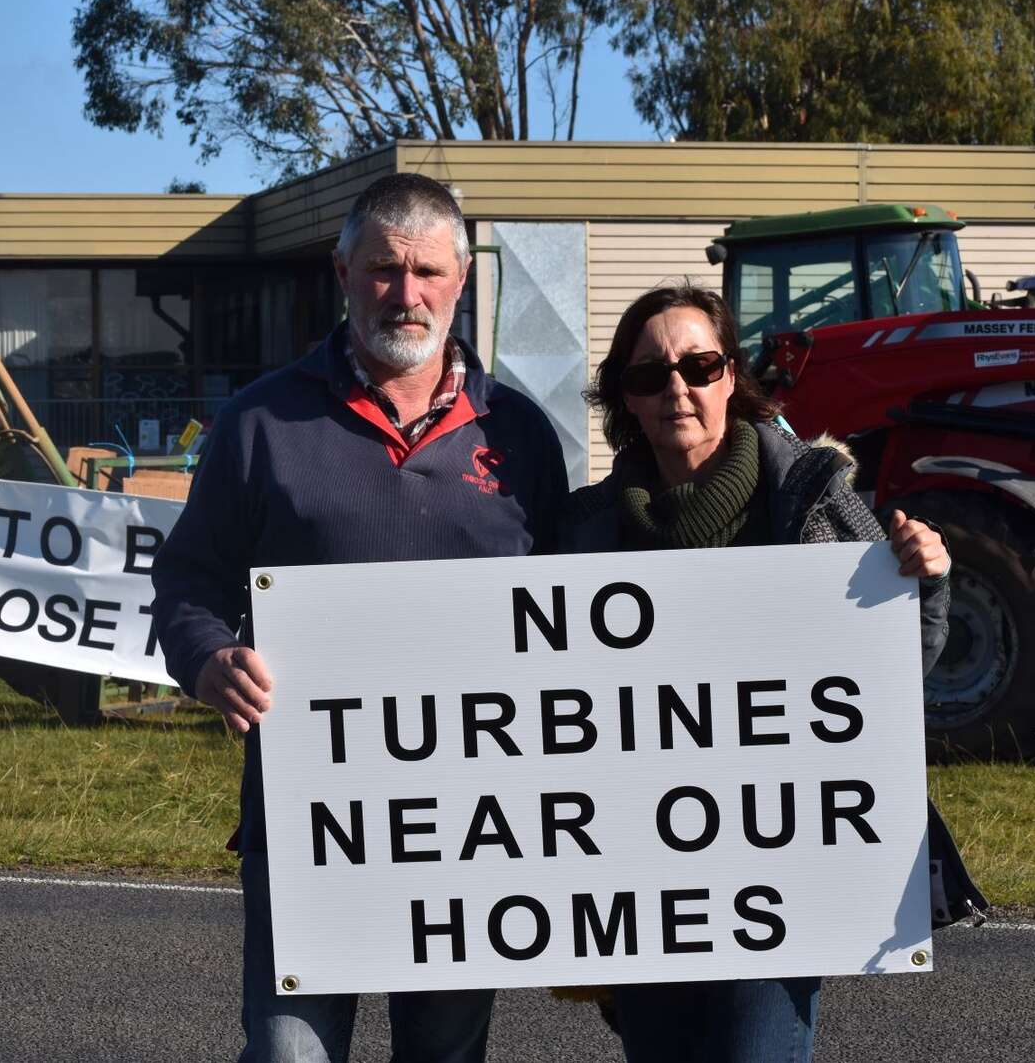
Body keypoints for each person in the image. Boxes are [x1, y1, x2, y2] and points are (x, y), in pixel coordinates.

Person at [150, 172, 569, 1063]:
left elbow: (573, 611)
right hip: (310, 818)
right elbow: (188, 579)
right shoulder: (261, 421)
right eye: (383, 269)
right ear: (342, 271)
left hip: (473, 822)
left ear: (463, 279)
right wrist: (208, 657)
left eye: (428, 272)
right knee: (289, 1055)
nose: (406, 295)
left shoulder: (521, 435)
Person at [561, 282, 952, 1063]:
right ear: (625, 400)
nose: (677, 386)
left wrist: (927, 578)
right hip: (639, 870)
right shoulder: (580, 531)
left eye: (698, 365)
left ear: (731, 376)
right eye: (649, 375)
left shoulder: (813, 497)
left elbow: (888, 671)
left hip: (779, 865)